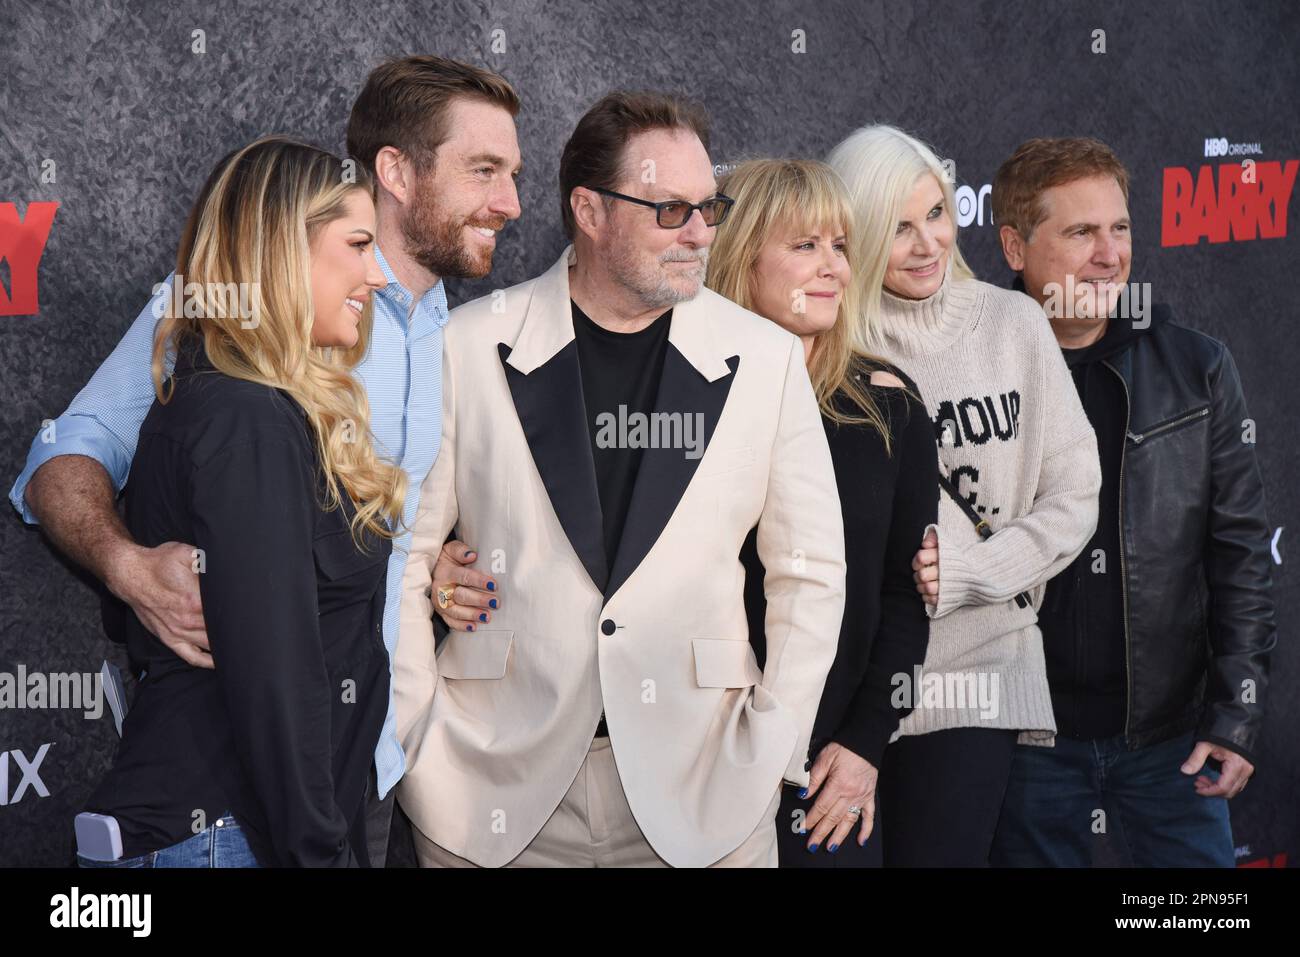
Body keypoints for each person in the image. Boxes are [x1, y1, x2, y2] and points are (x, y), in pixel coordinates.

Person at [9, 55, 523, 867]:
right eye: (485, 170)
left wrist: (429, 569)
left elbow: (361, 534)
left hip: (383, 767)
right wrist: (129, 565)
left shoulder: (448, 331)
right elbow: (64, 453)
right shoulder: (230, 318)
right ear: (395, 170)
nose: (510, 202)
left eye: (514, 173)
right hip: (256, 796)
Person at [394, 91, 846, 868]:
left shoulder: (765, 359)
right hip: (490, 795)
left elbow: (810, 576)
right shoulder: (467, 346)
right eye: (670, 210)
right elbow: (405, 556)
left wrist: (770, 746)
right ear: (590, 211)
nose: (700, 233)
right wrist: (416, 747)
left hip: (706, 793)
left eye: (710, 207)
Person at [77, 136, 403, 866]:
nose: (376, 276)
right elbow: (276, 677)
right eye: (356, 245)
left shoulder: (234, 405)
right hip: (225, 838)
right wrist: (320, 854)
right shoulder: (244, 418)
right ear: (283, 250)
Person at [988, 137, 1277, 868]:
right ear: (1016, 245)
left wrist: (1236, 713)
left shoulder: (1196, 368)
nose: (1109, 253)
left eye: (1119, 229)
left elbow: (1242, 553)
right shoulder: (968, 369)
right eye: (1081, 232)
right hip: (1021, 749)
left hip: (1170, 748)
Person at [826, 124, 1101, 866]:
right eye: (898, 227)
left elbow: (1075, 491)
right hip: (851, 686)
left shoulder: (1012, 324)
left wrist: (976, 570)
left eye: (938, 215)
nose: (927, 244)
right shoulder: (826, 344)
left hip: (980, 670)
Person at [705, 158, 937, 866]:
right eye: (805, 245)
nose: (833, 265)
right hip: (696, 762)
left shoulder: (889, 405)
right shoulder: (681, 403)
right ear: (741, 257)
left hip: (830, 774)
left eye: (839, 245)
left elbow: (906, 594)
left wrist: (865, 742)